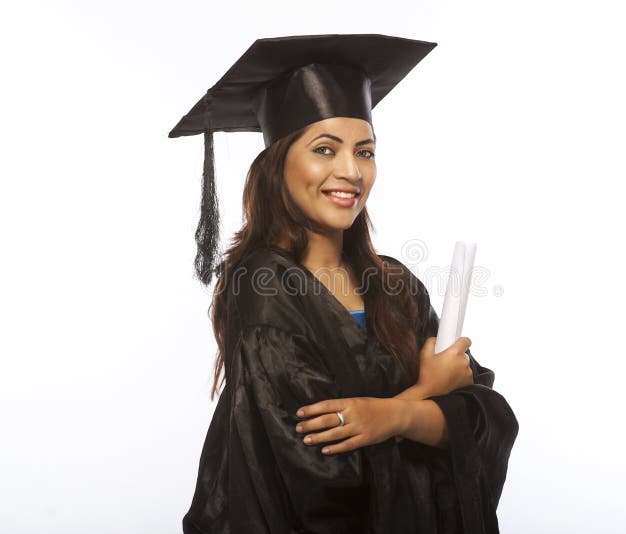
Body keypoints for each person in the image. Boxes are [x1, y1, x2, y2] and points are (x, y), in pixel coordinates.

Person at [169, 34, 519, 534]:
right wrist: (419, 401)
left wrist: (394, 416)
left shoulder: (396, 285)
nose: (351, 171)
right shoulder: (264, 285)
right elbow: (318, 476)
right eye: (325, 149)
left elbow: (485, 416)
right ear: (278, 162)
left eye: (366, 151)